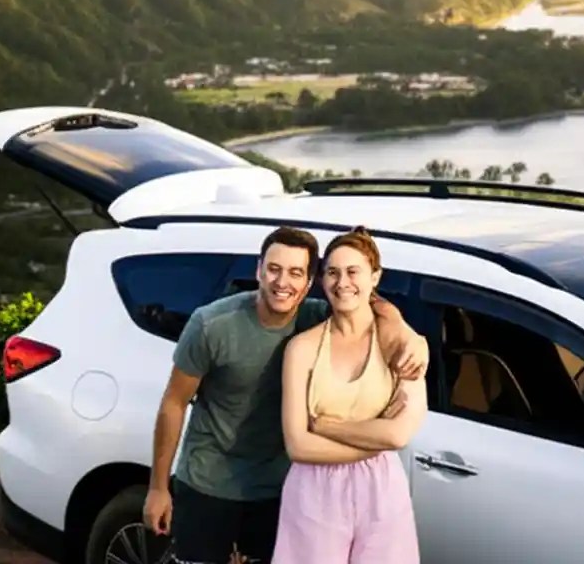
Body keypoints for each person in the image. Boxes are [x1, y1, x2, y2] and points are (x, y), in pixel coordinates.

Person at [143, 225, 429, 564]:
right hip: (210, 483)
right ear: (258, 270)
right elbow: (174, 403)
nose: (283, 283)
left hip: (277, 489)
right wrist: (158, 488)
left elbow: (363, 299)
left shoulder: (317, 317)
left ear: (310, 283)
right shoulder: (212, 325)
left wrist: (406, 331)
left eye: (296, 273)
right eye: (274, 269)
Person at [273, 226, 426, 563]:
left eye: (353, 271)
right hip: (314, 491)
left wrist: (325, 427)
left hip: (382, 491)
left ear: (375, 277)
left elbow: (399, 433)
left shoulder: (402, 344)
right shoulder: (302, 348)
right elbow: (298, 445)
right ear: (322, 279)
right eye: (333, 272)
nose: (343, 283)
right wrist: (374, 442)